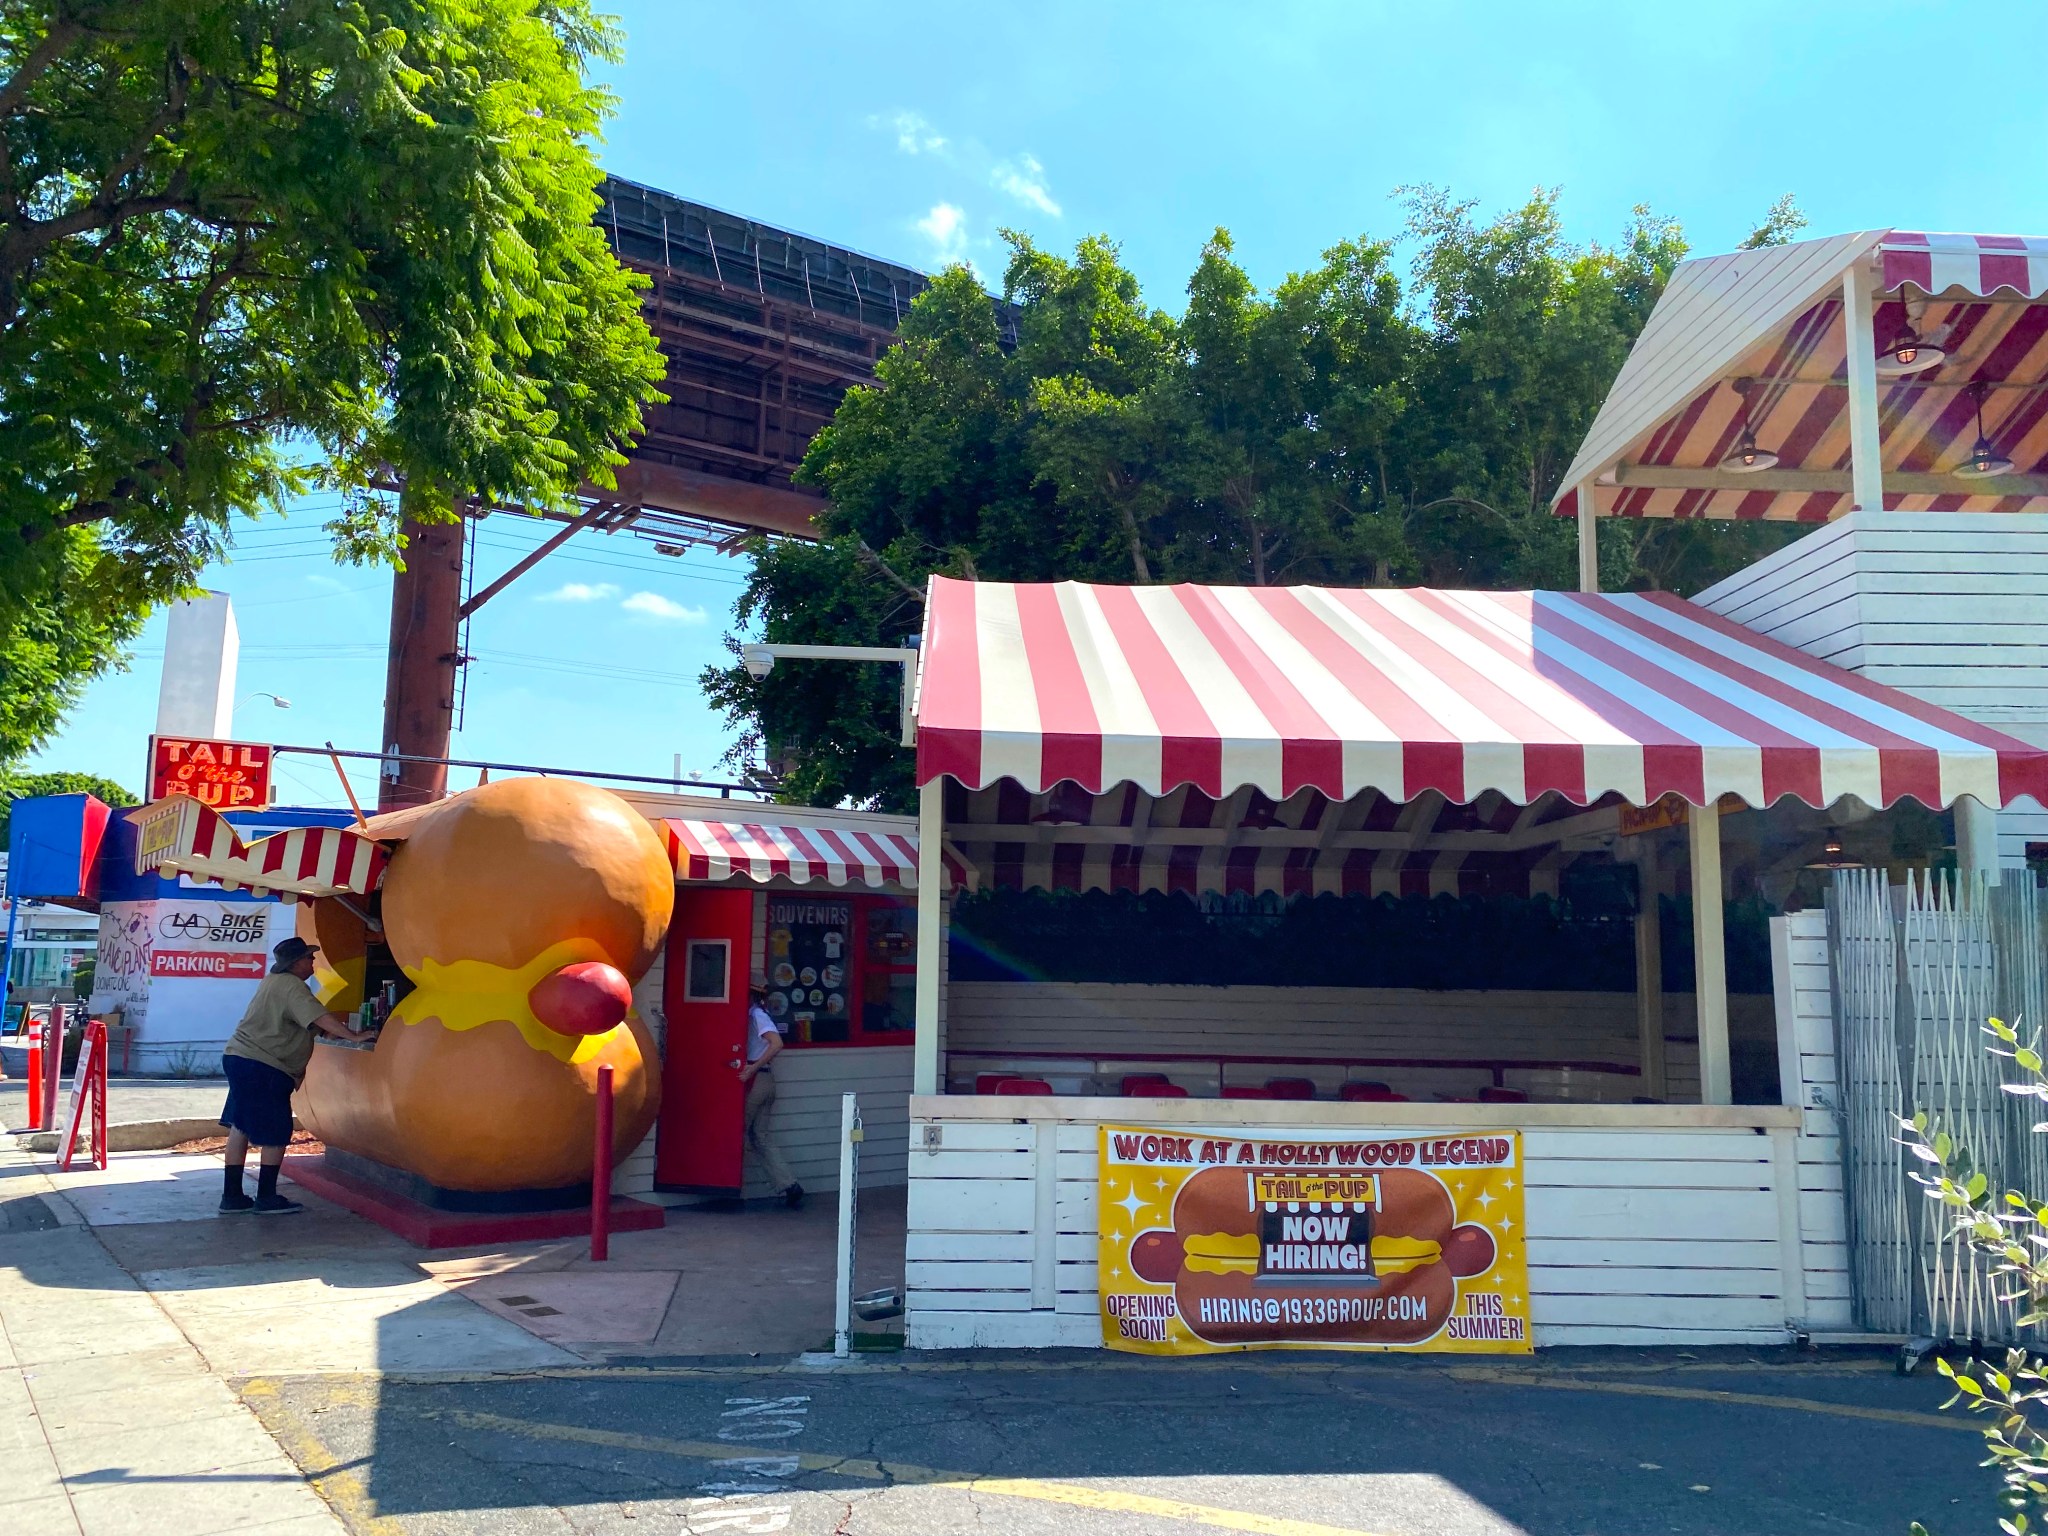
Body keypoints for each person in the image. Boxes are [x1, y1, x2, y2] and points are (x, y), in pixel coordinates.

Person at [219, 935, 371, 1214]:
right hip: (266, 1065)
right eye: (308, 957)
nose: (313, 961)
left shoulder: (272, 981)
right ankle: (266, 1197)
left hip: (240, 1057)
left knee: (240, 1125)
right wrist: (355, 1036)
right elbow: (318, 1017)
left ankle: (232, 1196)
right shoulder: (293, 987)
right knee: (276, 1131)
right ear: (296, 963)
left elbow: (298, 1021)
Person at [740, 977, 803, 1209]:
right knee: (760, 1136)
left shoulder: (757, 1015)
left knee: (738, 1132)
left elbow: (776, 1043)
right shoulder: (756, 1013)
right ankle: (789, 1184)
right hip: (767, 1080)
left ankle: (727, 1186)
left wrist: (751, 1068)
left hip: (757, 1080)